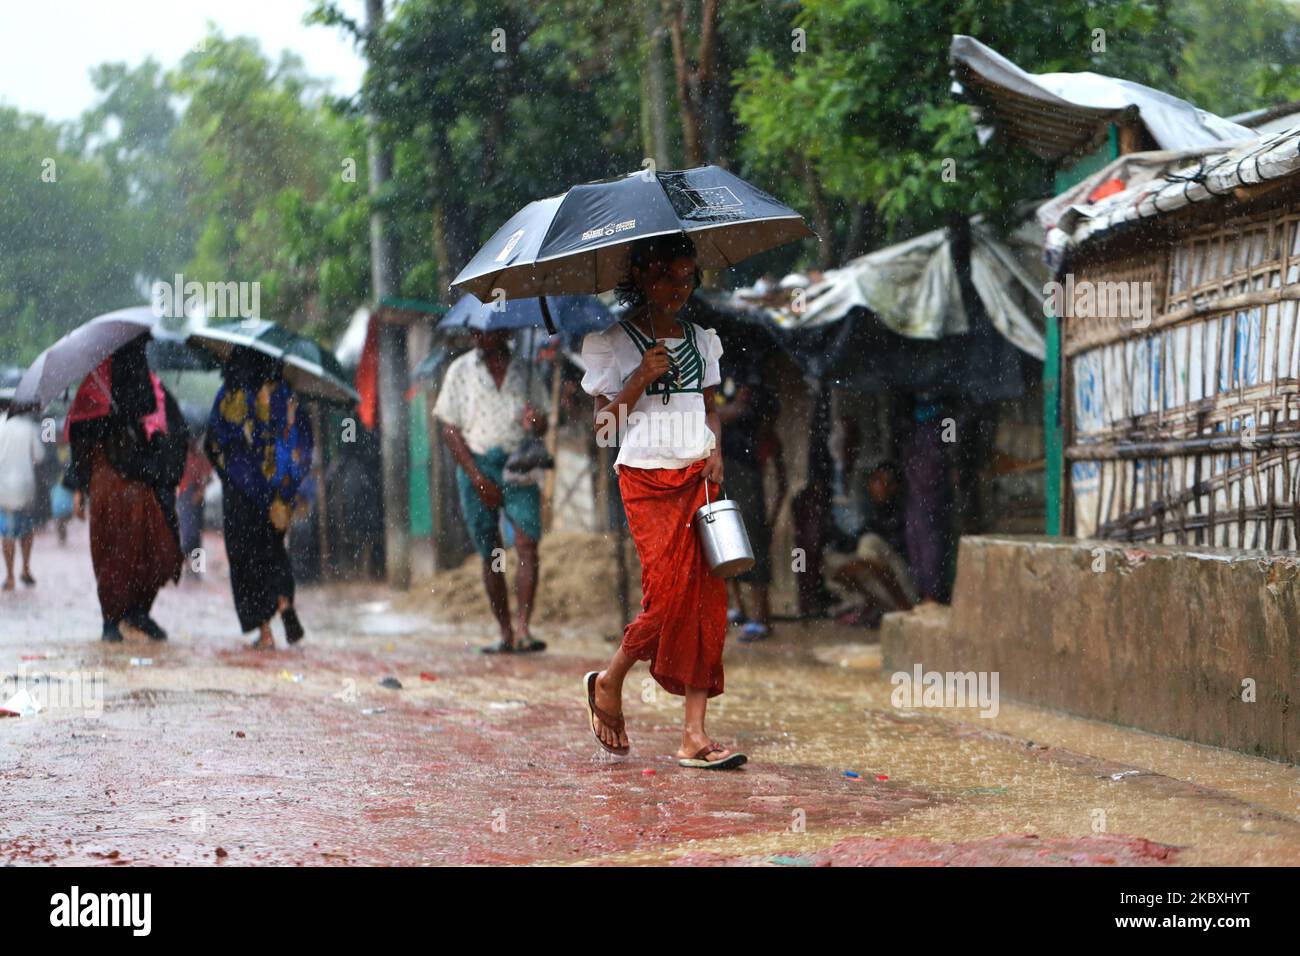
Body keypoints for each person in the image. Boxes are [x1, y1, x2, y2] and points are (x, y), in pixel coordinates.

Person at [579, 232, 745, 770]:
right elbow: (605, 428)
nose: (677, 288)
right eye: (665, 276)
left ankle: (694, 737)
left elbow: (709, 408)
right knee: (669, 595)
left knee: (705, 602)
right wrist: (638, 378)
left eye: (685, 277)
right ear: (641, 278)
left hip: (699, 476)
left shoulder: (703, 339)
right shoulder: (614, 341)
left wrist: (716, 447)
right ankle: (610, 678)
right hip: (647, 481)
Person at [63, 338, 189, 642]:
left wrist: (160, 472)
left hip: (142, 488)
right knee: (116, 555)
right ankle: (113, 618)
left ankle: (135, 613)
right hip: (112, 486)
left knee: (150, 552)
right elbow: (83, 436)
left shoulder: (152, 391)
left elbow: (175, 435)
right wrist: (80, 484)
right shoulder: (97, 390)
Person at [434, 328, 549, 654]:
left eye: (485, 332)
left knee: (527, 543)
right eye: (475, 332)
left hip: (518, 462)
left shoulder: (525, 370)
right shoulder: (461, 370)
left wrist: (535, 420)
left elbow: (544, 422)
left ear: (503, 332)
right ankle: (505, 631)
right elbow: (450, 430)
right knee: (492, 552)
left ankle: (525, 627)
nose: (478, 337)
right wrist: (476, 477)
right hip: (477, 463)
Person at [206, 348, 313, 649]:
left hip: (242, 494)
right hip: (278, 494)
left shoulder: (230, 396)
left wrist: (231, 471)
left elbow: (214, 442)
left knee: (246, 560)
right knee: (274, 551)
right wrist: (286, 493)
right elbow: (303, 446)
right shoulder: (286, 397)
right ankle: (283, 601)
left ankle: (264, 631)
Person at [715, 344, 780, 642]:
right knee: (724, 539)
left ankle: (761, 617)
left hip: (744, 466)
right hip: (722, 466)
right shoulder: (715, 372)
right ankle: (738, 609)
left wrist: (715, 414)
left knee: (752, 540)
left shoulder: (746, 373)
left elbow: (736, 411)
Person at [824, 459, 918, 627]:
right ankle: (873, 608)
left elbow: (879, 565)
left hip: (907, 590)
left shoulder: (902, 514)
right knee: (831, 560)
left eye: (882, 482)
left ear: (894, 487)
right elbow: (850, 544)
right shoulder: (875, 514)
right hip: (887, 588)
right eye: (875, 480)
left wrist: (856, 566)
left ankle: (904, 610)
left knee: (869, 544)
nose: (876, 486)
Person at [902, 395, 956, 603]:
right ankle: (927, 594)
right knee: (919, 541)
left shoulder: (945, 423)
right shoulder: (917, 429)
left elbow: (950, 451)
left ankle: (931, 595)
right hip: (919, 495)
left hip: (931, 495)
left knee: (930, 544)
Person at [0, 407, 45, 590]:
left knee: (7, 532)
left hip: (3, 486)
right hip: (26, 485)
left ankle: (10, 576)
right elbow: (40, 456)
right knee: (27, 529)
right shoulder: (29, 427)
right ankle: (25, 568)